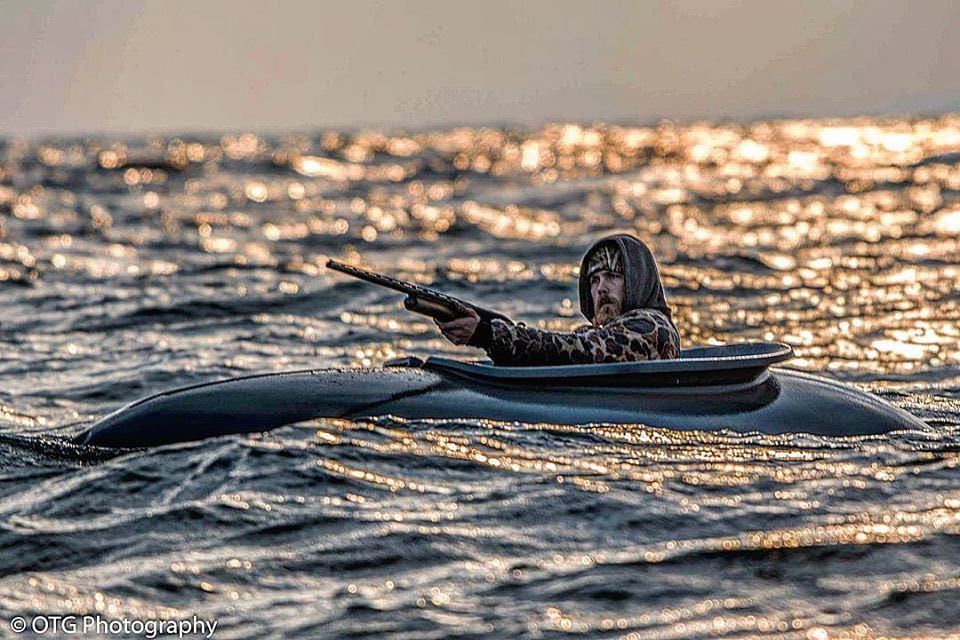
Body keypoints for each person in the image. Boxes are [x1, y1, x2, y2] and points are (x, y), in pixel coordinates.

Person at [434, 233, 681, 365]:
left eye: (612, 277)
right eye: (594, 281)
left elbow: (577, 350)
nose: (601, 289)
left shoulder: (651, 328)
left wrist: (485, 334)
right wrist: (487, 329)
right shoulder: (599, 335)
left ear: (639, 281)